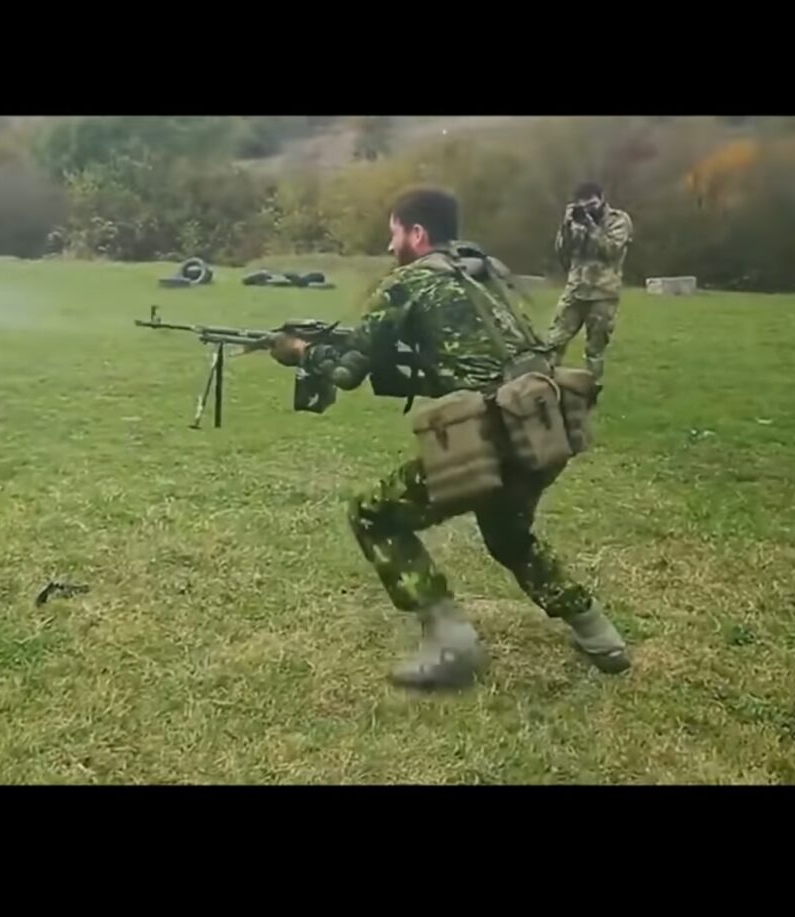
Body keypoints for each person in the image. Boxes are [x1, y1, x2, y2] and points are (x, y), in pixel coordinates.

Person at [268, 186, 631, 691]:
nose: (390, 244)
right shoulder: (483, 273)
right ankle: (600, 635)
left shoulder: (409, 281)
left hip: (491, 429)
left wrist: (301, 352)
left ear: (417, 233)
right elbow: (476, 354)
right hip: (545, 418)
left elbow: (348, 372)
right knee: (509, 536)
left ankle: (450, 642)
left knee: (372, 514)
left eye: (394, 231)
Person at [546, 182, 633, 380]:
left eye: (591, 203)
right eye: (583, 204)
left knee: (595, 349)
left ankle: (591, 390)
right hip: (575, 290)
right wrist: (567, 226)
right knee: (554, 342)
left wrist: (590, 226)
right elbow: (562, 252)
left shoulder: (618, 220)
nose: (588, 208)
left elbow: (611, 250)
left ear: (602, 199)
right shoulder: (575, 220)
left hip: (603, 293)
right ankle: (546, 385)